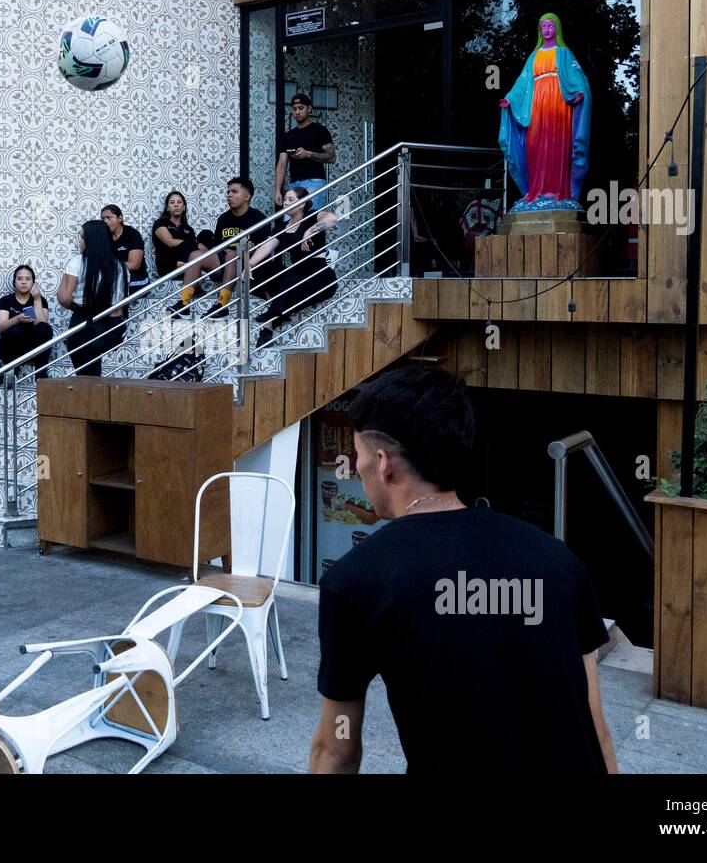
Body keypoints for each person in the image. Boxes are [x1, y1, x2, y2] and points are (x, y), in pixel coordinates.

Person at [308, 366, 617, 775]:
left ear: (383, 464)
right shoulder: (557, 560)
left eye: (359, 456)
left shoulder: (355, 581)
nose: (358, 468)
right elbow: (596, 725)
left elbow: (337, 747)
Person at [498, 12, 592, 210]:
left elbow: (577, 76)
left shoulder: (564, 53)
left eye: (550, 26)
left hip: (558, 104)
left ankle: (559, 191)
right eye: (543, 27)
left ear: (557, 29)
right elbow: (523, 80)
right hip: (537, 105)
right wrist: (510, 98)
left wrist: (578, 91)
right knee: (534, 145)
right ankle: (536, 190)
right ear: (540, 31)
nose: (547, 30)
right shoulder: (535, 55)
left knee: (557, 144)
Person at [248, 186, 339, 347]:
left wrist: (310, 231)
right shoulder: (281, 228)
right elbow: (266, 247)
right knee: (259, 270)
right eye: (284, 200)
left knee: (288, 284)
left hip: (320, 274)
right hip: (297, 272)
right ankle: (276, 306)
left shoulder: (312, 216)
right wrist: (249, 265)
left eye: (291, 200)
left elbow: (332, 218)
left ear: (302, 204)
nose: (285, 203)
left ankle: (268, 327)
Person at [56, 219, 128, 377]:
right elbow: (122, 299)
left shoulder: (77, 262)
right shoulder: (120, 265)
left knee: (86, 378)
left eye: (82, 237)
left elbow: (64, 298)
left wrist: (74, 306)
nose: (79, 241)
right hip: (114, 326)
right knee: (94, 378)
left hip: (85, 322)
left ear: (91, 240)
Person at [200, 177, 268, 319]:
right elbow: (216, 246)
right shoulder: (223, 219)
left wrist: (252, 250)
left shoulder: (259, 218)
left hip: (246, 265)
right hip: (223, 265)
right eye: (228, 192)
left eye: (234, 192)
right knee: (196, 255)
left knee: (232, 254)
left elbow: (265, 249)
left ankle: (222, 304)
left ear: (247, 197)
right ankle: (184, 302)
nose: (229, 195)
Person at [152, 190, 218, 316]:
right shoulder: (161, 223)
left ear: (184, 207)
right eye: (172, 202)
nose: (176, 205)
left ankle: (211, 270)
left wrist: (197, 247)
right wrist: (192, 243)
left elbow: (198, 248)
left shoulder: (188, 229)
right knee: (190, 243)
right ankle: (197, 281)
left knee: (206, 234)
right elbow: (169, 242)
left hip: (186, 264)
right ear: (167, 207)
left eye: (179, 202)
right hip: (169, 266)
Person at [273, 93, 336, 213]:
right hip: (294, 184)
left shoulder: (319, 130)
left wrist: (308, 154)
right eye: (295, 109)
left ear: (309, 108)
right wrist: (277, 190)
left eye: (301, 108)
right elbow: (282, 164)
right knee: (290, 222)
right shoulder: (288, 136)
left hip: (315, 182)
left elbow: (332, 157)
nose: (297, 112)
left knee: (311, 221)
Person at [0, 265, 54, 380]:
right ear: (14, 282)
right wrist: (16, 319)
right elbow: (0, 327)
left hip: (32, 349)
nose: (24, 282)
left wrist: (37, 299)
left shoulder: (40, 300)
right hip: (9, 348)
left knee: (46, 329)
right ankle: (12, 372)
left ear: (33, 283)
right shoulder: (6, 301)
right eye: (20, 279)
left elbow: (43, 325)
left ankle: (40, 373)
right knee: (16, 330)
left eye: (28, 279)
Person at [101, 204, 149, 298]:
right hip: (115, 278)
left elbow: (134, 265)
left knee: (111, 288)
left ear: (120, 218)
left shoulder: (132, 234)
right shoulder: (104, 237)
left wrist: (108, 268)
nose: (105, 221)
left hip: (137, 279)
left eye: (108, 217)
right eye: (103, 218)